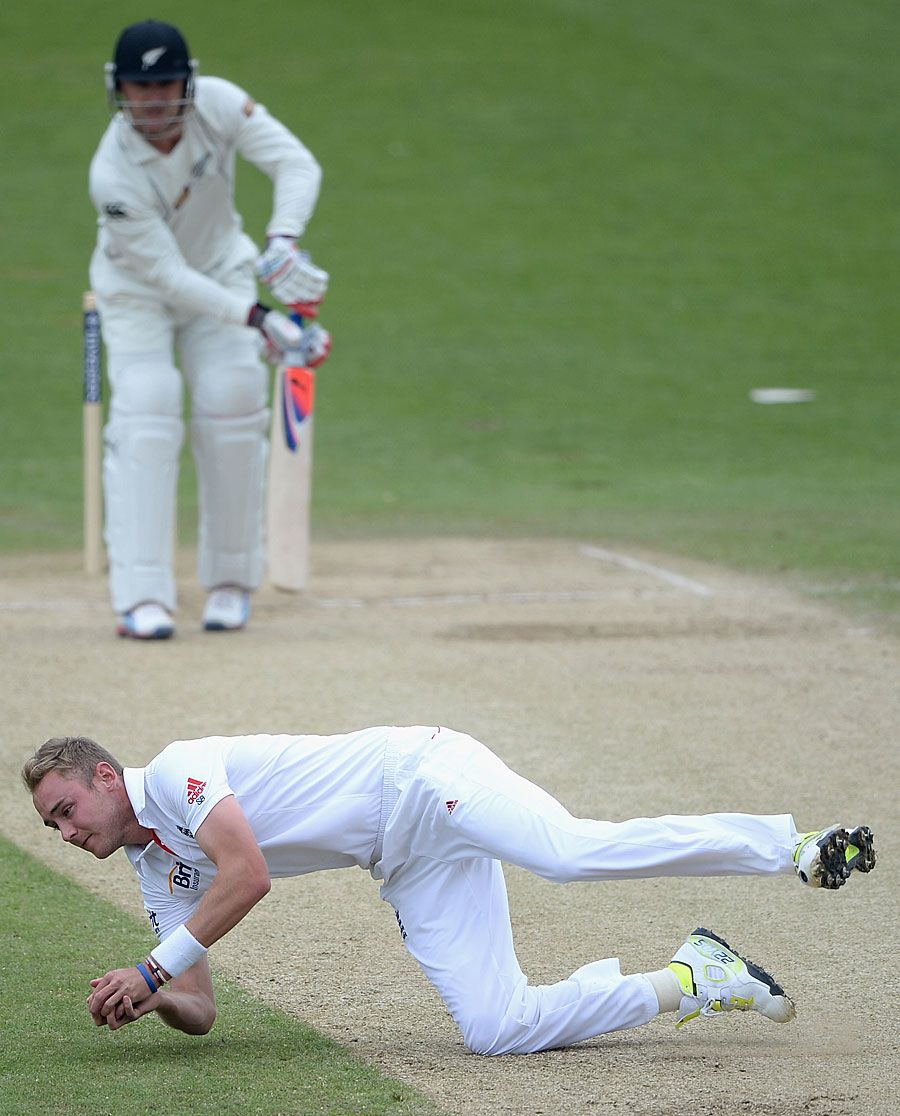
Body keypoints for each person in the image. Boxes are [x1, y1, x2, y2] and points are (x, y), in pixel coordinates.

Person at [22, 726, 876, 1053]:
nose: (66, 834)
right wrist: (153, 998)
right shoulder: (153, 872)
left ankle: (790, 845)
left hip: (424, 777)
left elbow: (249, 876)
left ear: (104, 777)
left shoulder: (175, 772)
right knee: (495, 1029)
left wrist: (153, 968)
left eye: (66, 810)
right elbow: (199, 1007)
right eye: (52, 828)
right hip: (405, 859)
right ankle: (694, 977)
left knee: (567, 853)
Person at [89, 20, 332, 639]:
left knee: (231, 395)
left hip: (224, 265)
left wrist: (281, 242)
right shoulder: (112, 174)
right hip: (137, 292)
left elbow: (296, 164)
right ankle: (141, 597)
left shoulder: (220, 103)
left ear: (188, 82)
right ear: (119, 90)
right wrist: (262, 318)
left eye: (165, 84)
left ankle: (229, 581)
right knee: (148, 403)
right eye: (140, 88)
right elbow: (168, 276)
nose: (154, 100)